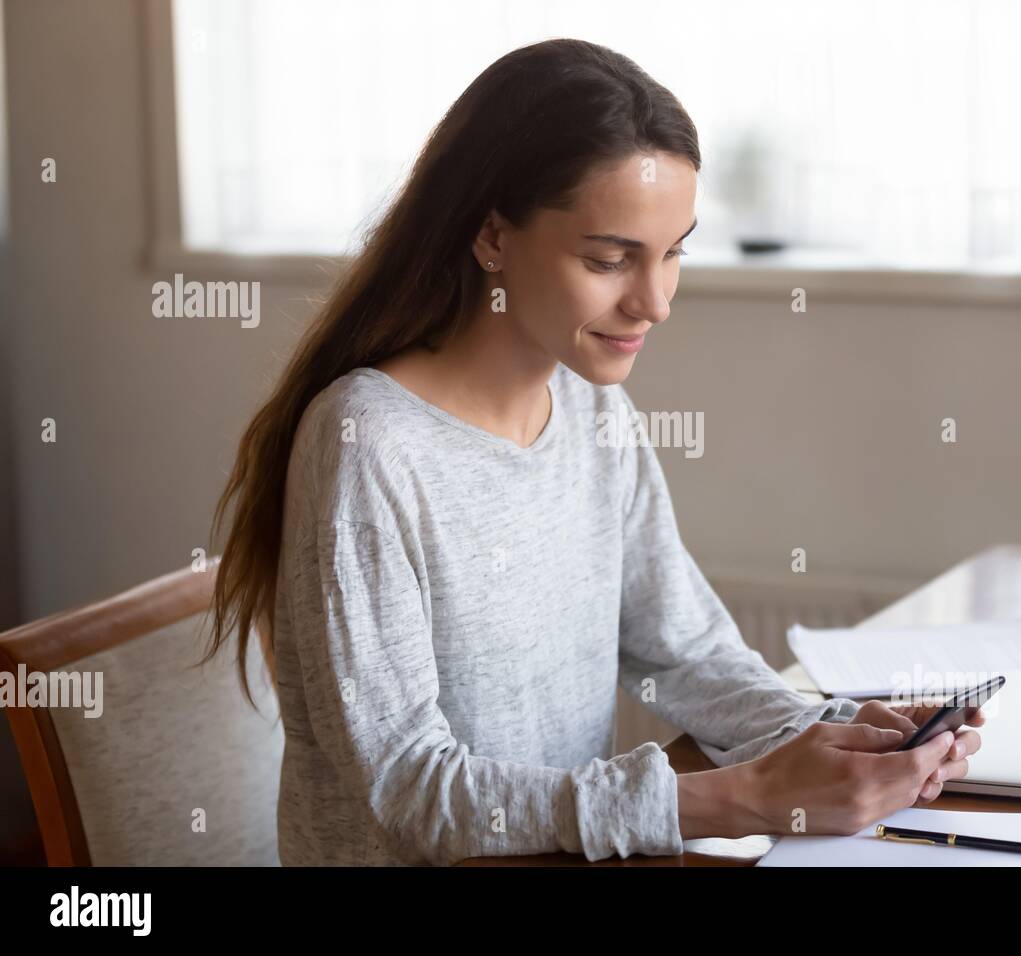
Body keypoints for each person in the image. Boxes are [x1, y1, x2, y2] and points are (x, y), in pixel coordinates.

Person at [202, 37, 981, 866]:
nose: (655, 302)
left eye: (674, 251)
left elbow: (682, 649)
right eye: (610, 259)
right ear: (493, 236)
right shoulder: (367, 442)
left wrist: (828, 735)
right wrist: (741, 797)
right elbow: (408, 791)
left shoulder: (590, 408)